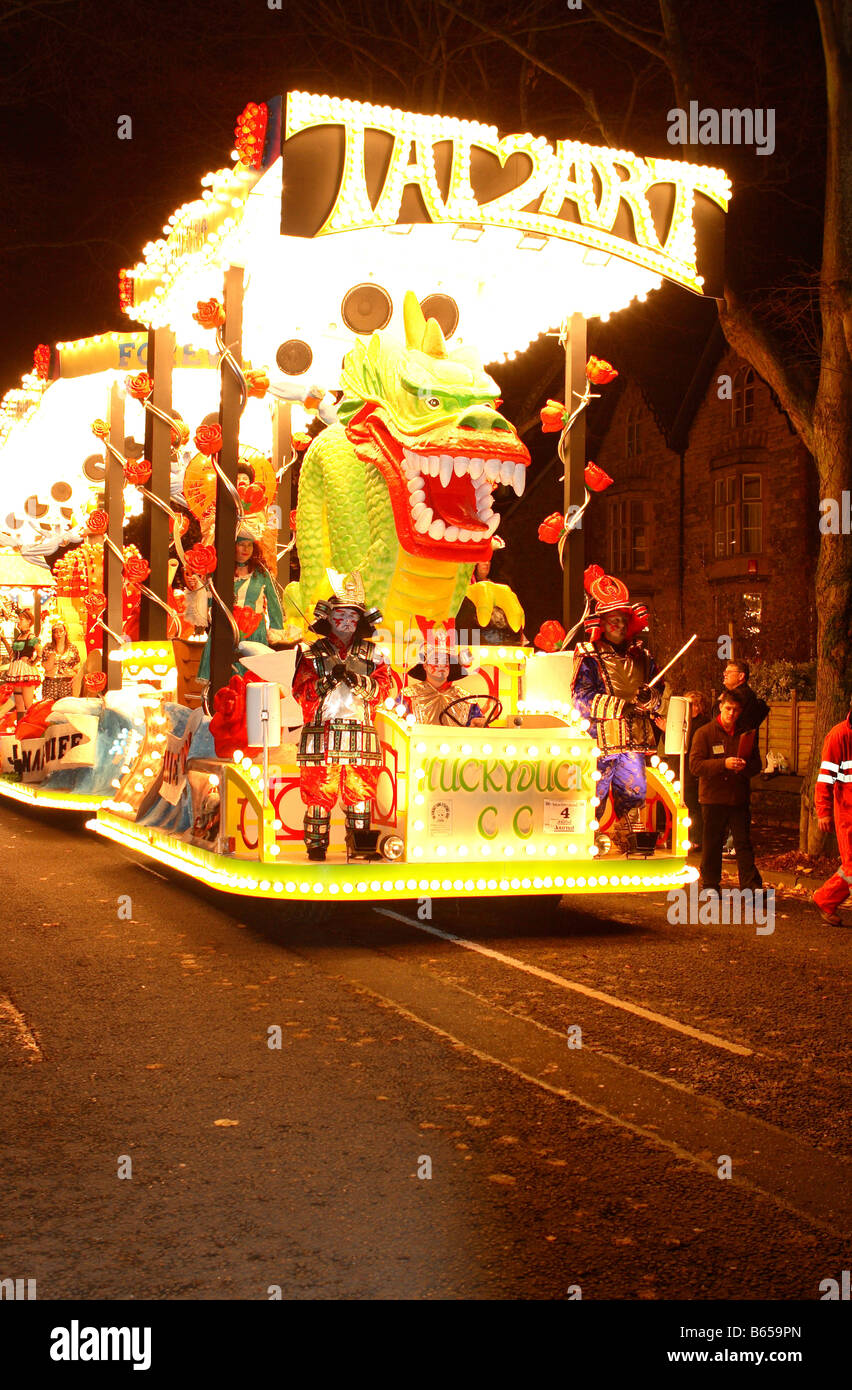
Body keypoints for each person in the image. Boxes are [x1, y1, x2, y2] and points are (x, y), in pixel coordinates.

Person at [293, 570, 392, 860]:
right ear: (329, 618)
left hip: (360, 731)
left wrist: (360, 682)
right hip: (322, 734)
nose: (347, 621)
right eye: (341, 615)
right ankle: (316, 845)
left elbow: (386, 688)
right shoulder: (311, 653)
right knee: (318, 794)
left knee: (360, 794)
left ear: (360, 621)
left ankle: (361, 845)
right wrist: (327, 681)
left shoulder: (374, 654)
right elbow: (301, 691)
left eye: (353, 616)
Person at [570, 565, 662, 842]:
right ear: (601, 623)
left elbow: (659, 696)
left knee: (635, 796)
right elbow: (580, 699)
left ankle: (632, 843)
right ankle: (585, 841)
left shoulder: (643, 657)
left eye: (623, 619)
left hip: (634, 742)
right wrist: (622, 707)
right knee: (592, 797)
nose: (620, 625)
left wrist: (650, 699)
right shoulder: (588, 655)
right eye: (614, 620)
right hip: (599, 743)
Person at [689, 686, 763, 895]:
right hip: (713, 797)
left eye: (736, 710)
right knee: (712, 843)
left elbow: (756, 764)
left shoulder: (745, 733)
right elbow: (695, 766)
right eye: (728, 708)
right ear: (721, 707)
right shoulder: (705, 733)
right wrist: (724, 764)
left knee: (743, 843)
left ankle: (751, 886)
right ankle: (711, 884)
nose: (732, 714)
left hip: (738, 796)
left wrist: (744, 766)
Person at [197, 524, 286, 682]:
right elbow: (208, 601)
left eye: (249, 545)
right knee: (223, 678)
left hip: (254, 632)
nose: (246, 549)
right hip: (226, 631)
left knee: (251, 679)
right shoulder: (219, 571)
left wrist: (276, 629)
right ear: (232, 546)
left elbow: (274, 602)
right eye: (241, 544)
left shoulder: (261, 572)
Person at [715, 660, 769, 856]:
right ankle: (732, 842)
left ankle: (733, 843)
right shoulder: (744, 697)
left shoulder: (744, 698)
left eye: (729, 672)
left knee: (736, 800)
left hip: (737, 754)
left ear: (741, 676)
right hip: (737, 754)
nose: (724, 674)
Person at [811, 692, 852, 927]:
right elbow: (825, 777)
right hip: (847, 811)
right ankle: (825, 898)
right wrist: (823, 811)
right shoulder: (838, 736)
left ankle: (825, 899)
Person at [403, 620, 486, 726]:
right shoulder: (408, 697)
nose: (441, 665)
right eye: (436, 660)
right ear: (425, 666)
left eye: (445, 661)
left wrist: (478, 724)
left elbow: (480, 728)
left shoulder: (467, 701)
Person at [682, 690, 711, 852]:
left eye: (691, 704)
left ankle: (696, 838)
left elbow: (691, 745)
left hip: (692, 771)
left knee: (693, 806)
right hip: (680, 769)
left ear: (698, 707)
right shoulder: (683, 722)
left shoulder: (702, 724)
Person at [2, 609, 42, 715]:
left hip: (25, 671)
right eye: (19, 619)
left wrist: (33, 662)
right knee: (19, 704)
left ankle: (30, 727)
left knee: (28, 704)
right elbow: (12, 654)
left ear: (29, 621)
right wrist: (3, 640)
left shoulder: (31, 636)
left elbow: (40, 650)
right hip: (16, 670)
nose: (19, 621)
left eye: (21, 619)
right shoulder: (19, 636)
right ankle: (21, 727)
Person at [41, 619, 81, 700]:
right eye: (55, 632)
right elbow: (46, 666)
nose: (58, 634)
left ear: (65, 632)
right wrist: (52, 657)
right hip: (50, 683)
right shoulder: (48, 647)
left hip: (67, 684)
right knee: (49, 708)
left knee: (65, 708)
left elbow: (77, 666)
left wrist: (73, 675)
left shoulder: (72, 648)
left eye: (61, 631)